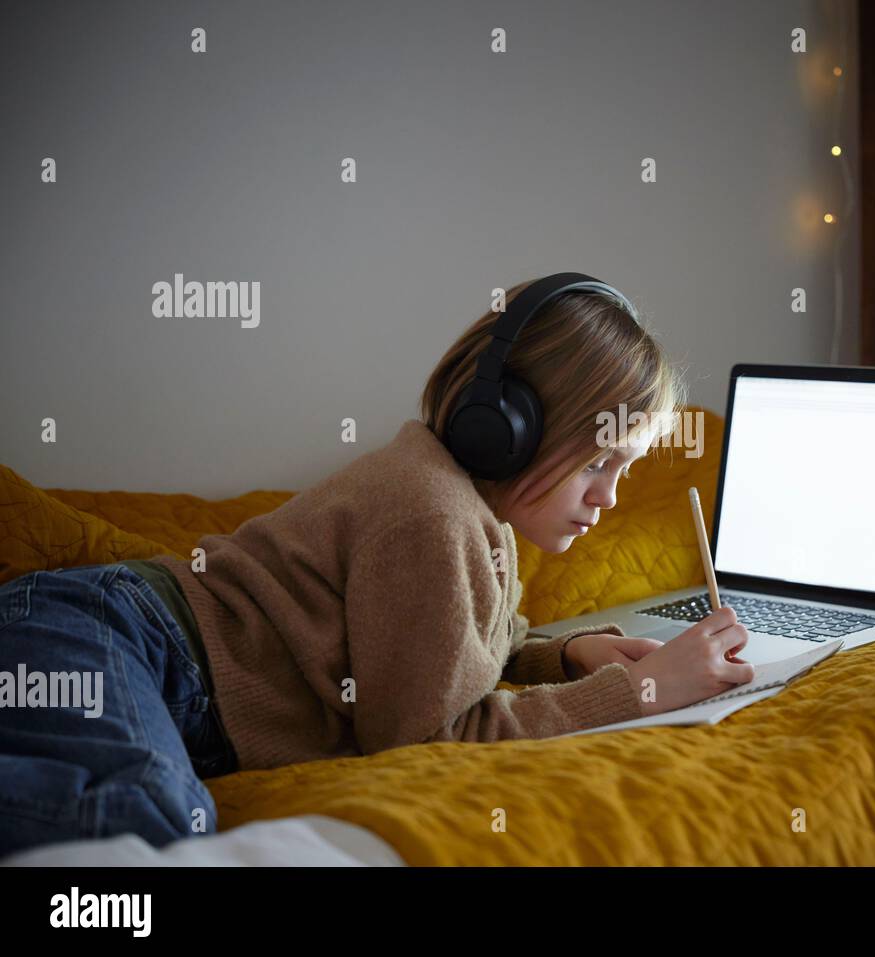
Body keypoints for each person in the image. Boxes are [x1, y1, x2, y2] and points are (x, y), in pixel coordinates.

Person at [0, 276, 753, 859]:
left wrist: (563, 655)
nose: (609, 497)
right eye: (598, 462)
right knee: (141, 827)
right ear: (510, 427)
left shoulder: (475, 516)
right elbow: (428, 740)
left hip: (122, 647)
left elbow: (452, 654)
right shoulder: (431, 514)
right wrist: (642, 690)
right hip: (115, 638)